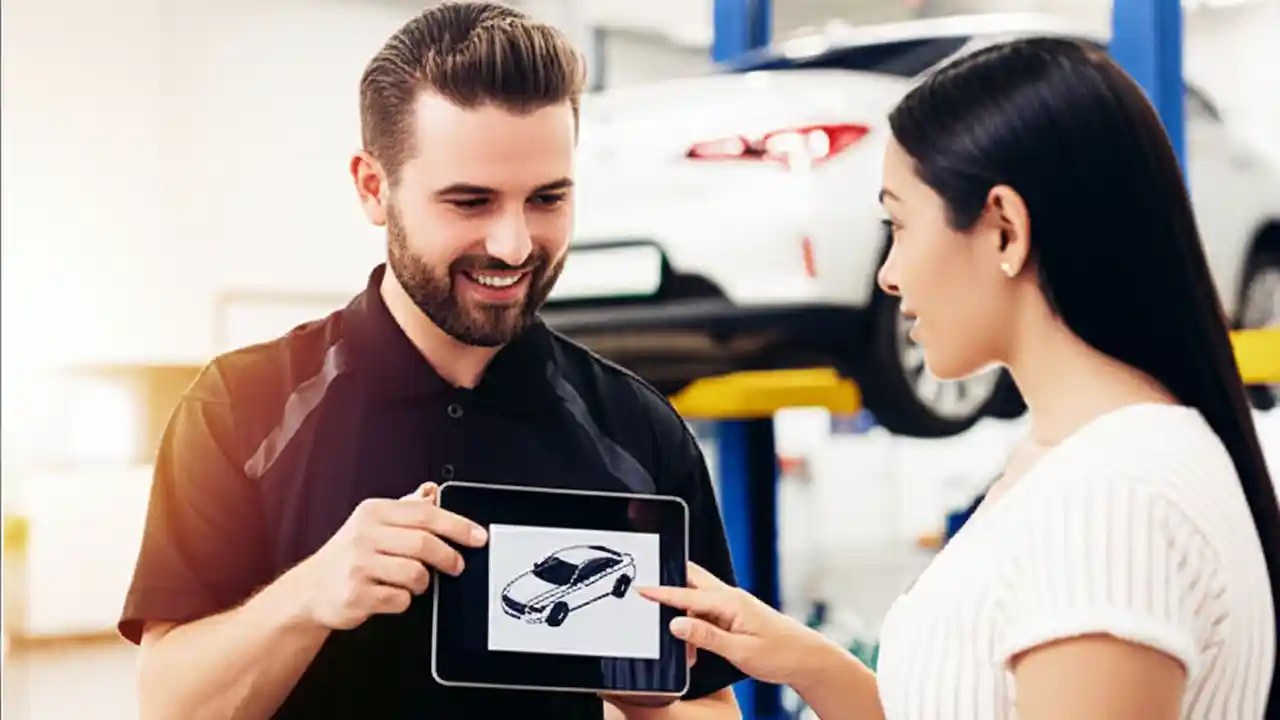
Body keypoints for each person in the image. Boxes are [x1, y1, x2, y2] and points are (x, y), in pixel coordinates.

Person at [118, 3, 744, 718]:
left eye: (547, 199)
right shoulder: (240, 407)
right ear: (372, 188)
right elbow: (169, 707)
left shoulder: (637, 431)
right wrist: (309, 596)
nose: (513, 245)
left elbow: (711, 708)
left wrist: (636, 696)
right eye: (470, 202)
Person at [641, 37, 1280, 720]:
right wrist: (806, 661)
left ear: (1005, 229)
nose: (889, 274)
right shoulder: (1088, 459)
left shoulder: (1111, 499)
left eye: (900, 225)